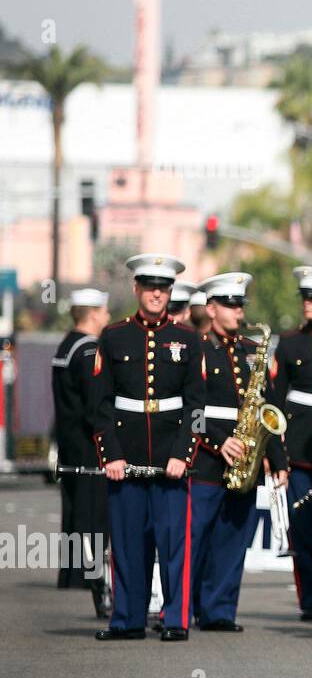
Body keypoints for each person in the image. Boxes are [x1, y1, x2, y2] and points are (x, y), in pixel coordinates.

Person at [89, 253, 203, 641]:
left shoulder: (188, 339)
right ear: (136, 288)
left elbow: (196, 407)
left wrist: (183, 453)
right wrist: (111, 454)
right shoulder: (113, 336)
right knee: (126, 543)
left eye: (164, 288)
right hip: (126, 457)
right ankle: (127, 619)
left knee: (173, 546)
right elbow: (101, 404)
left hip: (171, 459)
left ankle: (176, 620)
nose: (157, 294)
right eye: (150, 287)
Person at [188, 272, 288, 631]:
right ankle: (183, 609)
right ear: (211, 308)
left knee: (233, 539)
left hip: (247, 456)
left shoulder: (251, 350)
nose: (238, 312)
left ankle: (219, 611)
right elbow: (190, 408)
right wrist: (218, 441)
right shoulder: (197, 349)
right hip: (206, 457)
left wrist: (277, 459)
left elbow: (268, 405)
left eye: (240, 305)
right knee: (197, 537)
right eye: (230, 305)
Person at [267, 266, 312, 621]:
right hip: (298, 447)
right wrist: (276, 455)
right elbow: (273, 402)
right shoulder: (290, 341)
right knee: (302, 528)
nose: (307, 302)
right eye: (304, 296)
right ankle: (311, 597)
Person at [52, 288, 113, 615]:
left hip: (70, 442)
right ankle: (88, 576)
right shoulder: (89, 350)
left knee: (75, 511)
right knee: (92, 515)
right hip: (89, 446)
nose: (107, 317)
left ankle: (72, 573)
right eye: (103, 311)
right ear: (92, 314)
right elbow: (94, 403)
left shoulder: (67, 344)